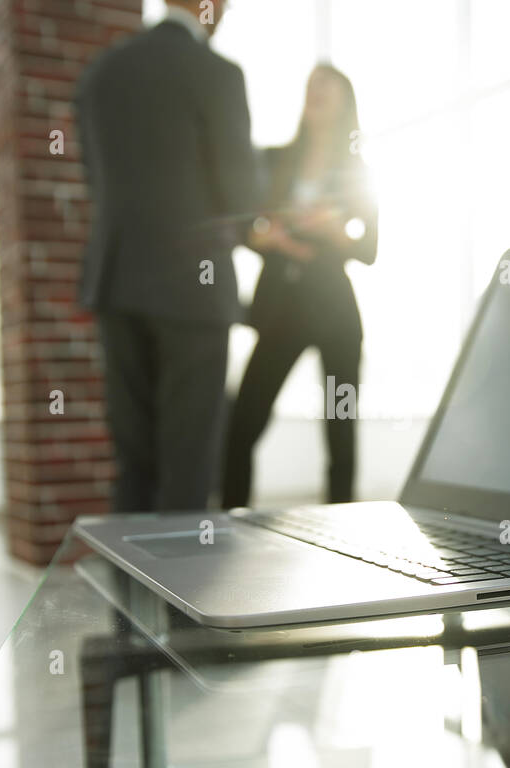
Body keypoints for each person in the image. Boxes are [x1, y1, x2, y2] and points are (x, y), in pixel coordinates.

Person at [76, 0, 258, 513]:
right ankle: (177, 593)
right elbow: (241, 195)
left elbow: (95, 177)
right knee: (188, 466)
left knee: (135, 462)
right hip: (192, 290)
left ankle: (127, 592)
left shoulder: (102, 72)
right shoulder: (217, 73)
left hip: (116, 280)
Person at [222, 64, 378, 508]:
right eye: (310, 87)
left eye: (325, 87)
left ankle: (346, 535)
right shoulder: (274, 161)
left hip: (336, 313)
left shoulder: (358, 171)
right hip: (279, 310)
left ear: (345, 100)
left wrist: (332, 232)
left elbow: (368, 249)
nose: (315, 93)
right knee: (242, 426)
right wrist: (268, 237)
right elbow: (242, 226)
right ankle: (227, 530)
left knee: (340, 428)